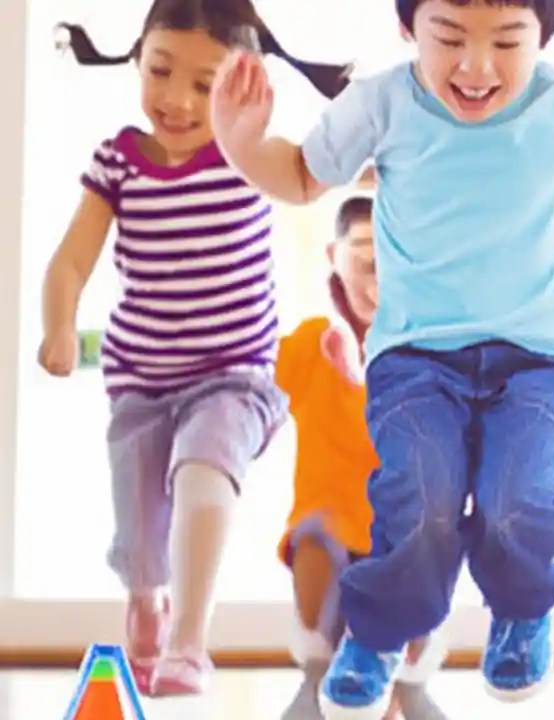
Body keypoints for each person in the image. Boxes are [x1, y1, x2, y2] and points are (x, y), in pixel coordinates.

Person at [207, 0, 554, 716]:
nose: (475, 66)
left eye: (508, 41)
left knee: (517, 496)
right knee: (422, 500)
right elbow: (298, 177)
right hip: (416, 357)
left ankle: (520, 611)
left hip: (542, 359)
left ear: (545, 36)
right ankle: (382, 634)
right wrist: (239, 142)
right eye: (447, 38)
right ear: (407, 29)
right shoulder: (382, 103)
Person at [37, 0, 349, 697]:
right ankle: (148, 604)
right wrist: (60, 324)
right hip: (141, 384)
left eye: (205, 85)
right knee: (143, 545)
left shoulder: (247, 153)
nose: (176, 101)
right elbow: (71, 261)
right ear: (138, 60)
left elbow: (323, 176)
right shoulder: (118, 161)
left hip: (234, 377)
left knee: (203, 469)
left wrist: (396, 164)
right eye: (160, 71)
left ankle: (188, 643)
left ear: (242, 83)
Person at [275, 193, 448, 720]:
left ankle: (402, 685)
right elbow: (247, 387)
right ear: (335, 257)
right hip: (327, 536)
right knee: (317, 546)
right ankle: (323, 677)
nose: (377, 278)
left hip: (405, 540)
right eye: (365, 259)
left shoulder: (436, 352)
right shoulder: (311, 346)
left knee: (405, 671)